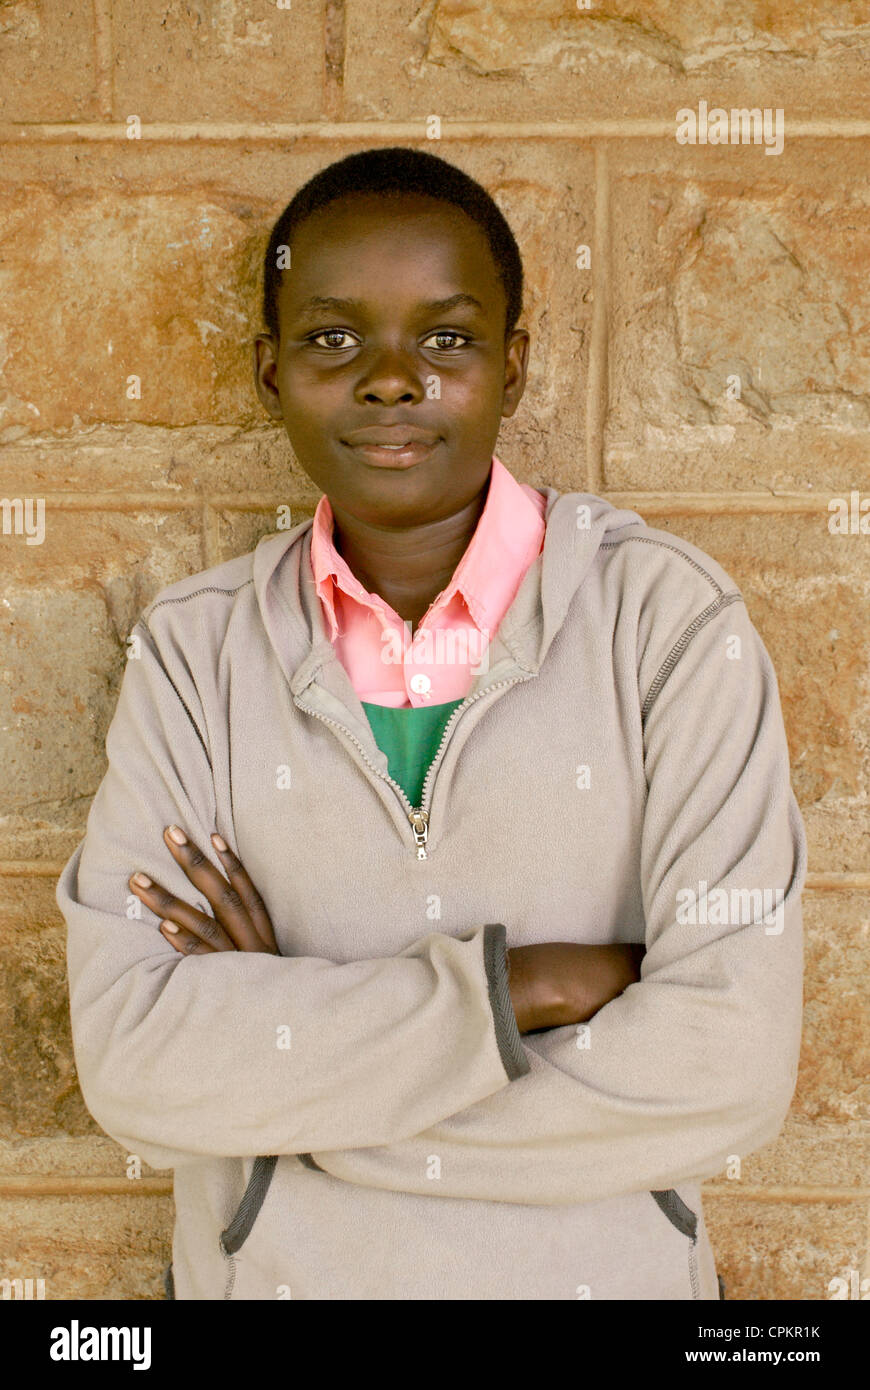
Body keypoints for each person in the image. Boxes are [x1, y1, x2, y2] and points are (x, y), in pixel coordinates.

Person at [57, 147, 806, 1301]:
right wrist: (516, 994)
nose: (392, 380)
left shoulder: (664, 623)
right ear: (268, 373)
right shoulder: (196, 653)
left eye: (448, 339)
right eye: (332, 338)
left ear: (513, 366)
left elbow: (728, 1066)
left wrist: (292, 1093)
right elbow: (136, 1059)